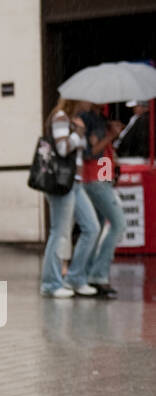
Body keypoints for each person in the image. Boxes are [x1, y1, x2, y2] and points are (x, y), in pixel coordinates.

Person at [40, 98, 98, 298]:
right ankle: (51, 283)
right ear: (76, 99)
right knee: (59, 232)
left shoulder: (75, 120)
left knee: (92, 227)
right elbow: (63, 148)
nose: (91, 101)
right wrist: (78, 134)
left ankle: (75, 277)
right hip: (62, 183)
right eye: (87, 97)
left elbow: (80, 152)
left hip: (76, 183)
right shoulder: (60, 117)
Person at [78, 105, 125, 298]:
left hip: (101, 177)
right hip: (96, 179)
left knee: (95, 227)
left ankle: (88, 273)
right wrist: (109, 136)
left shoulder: (99, 120)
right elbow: (90, 152)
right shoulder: (89, 120)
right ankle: (98, 274)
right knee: (118, 224)